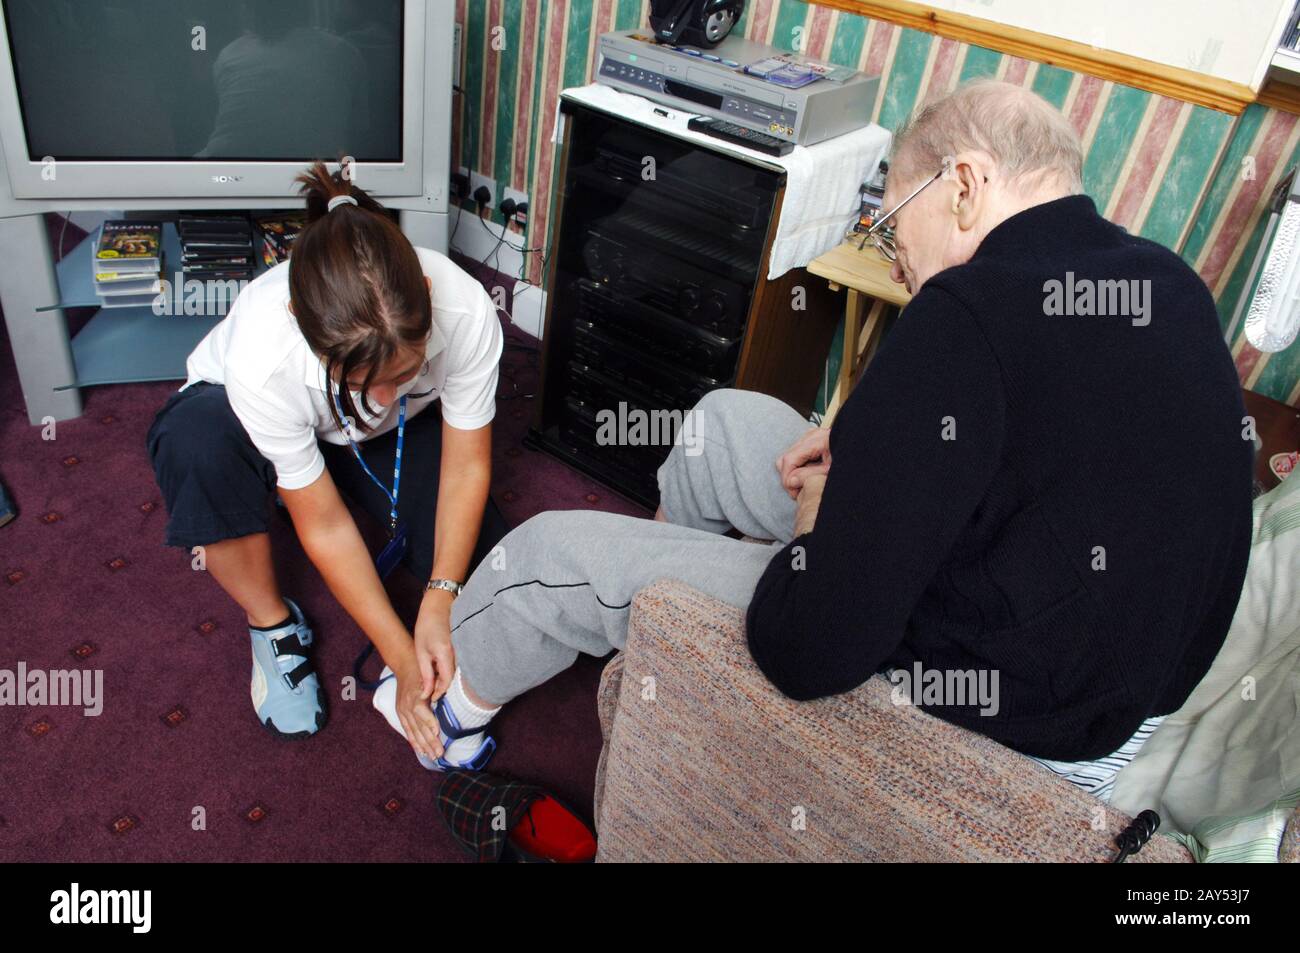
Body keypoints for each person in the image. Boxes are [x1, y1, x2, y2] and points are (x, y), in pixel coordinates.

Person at [384, 80, 1254, 799]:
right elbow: (1005, 422)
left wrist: (826, 514)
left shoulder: (967, 310)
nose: (891, 250)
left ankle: (444, 717)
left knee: (550, 550)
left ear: (964, 185)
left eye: (890, 216)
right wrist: (859, 435)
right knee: (719, 424)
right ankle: (667, 643)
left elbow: (807, 653)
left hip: (1001, 709)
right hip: (1101, 680)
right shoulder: (1163, 280)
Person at [146, 161, 508, 764]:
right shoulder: (264, 355)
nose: (387, 395)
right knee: (197, 447)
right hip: (243, 423)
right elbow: (326, 523)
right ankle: (270, 625)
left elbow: (468, 465)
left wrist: (441, 596)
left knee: (493, 571)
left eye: (407, 372)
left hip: (389, 440)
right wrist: (398, 654)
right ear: (302, 325)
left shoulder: (466, 311)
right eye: (367, 381)